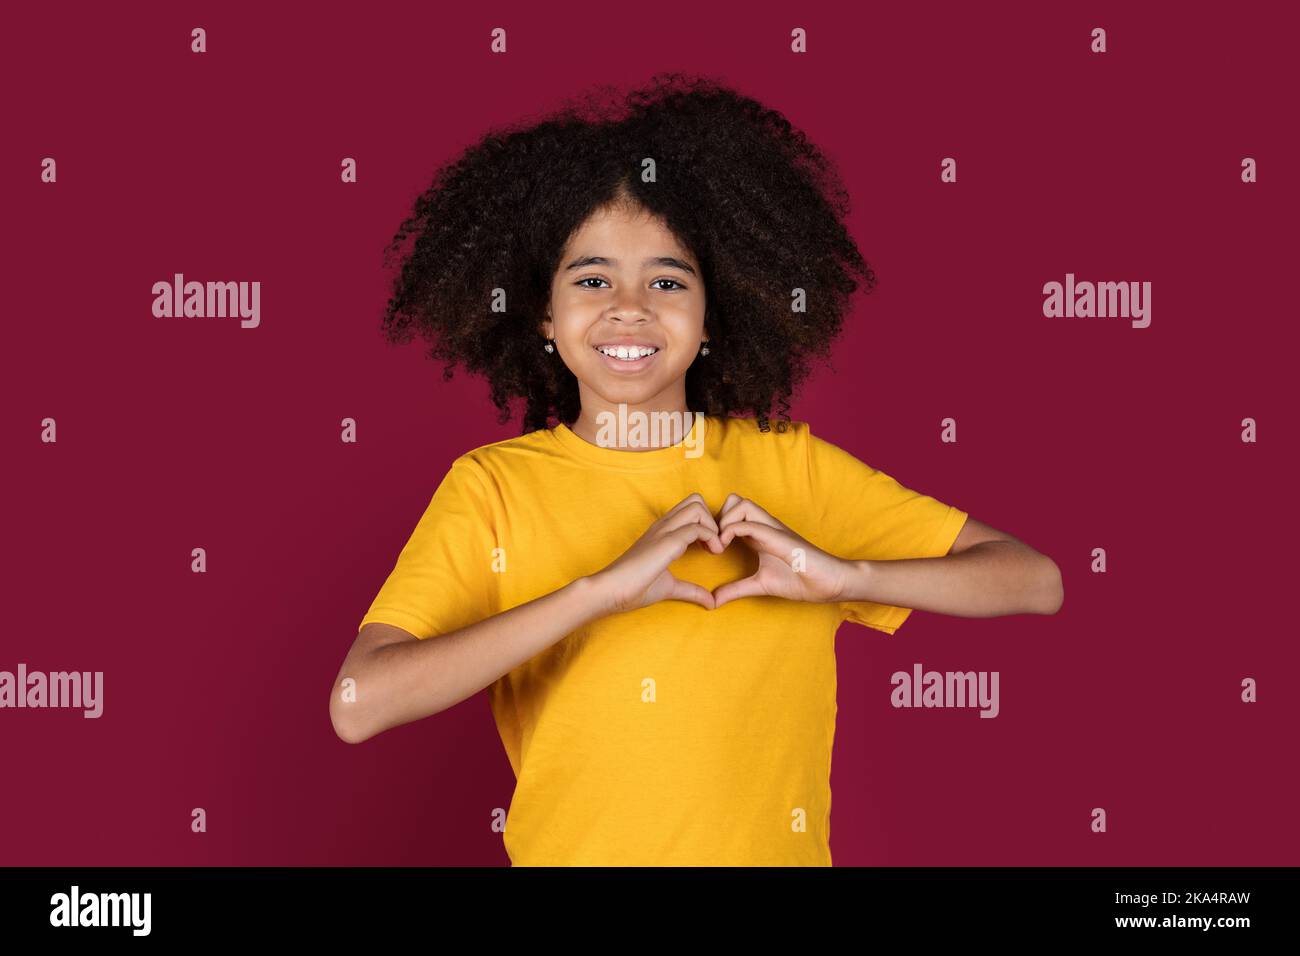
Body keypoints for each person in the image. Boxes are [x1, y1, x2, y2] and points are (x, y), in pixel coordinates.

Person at [329, 72, 1064, 866]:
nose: (631, 306)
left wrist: (845, 575)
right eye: (592, 278)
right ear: (544, 314)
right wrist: (599, 591)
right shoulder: (494, 488)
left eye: (668, 280)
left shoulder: (792, 468)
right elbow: (358, 703)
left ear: (714, 318)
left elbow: (1035, 579)